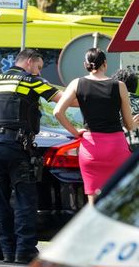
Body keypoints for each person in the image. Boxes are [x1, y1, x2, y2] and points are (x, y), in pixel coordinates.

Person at [0, 48, 61, 264]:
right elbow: (63, 99)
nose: (39, 72)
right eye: (38, 67)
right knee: (25, 197)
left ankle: (7, 250)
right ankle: (24, 251)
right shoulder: (31, 81)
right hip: (15, 145)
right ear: (29, 61)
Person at [53, 49, 135, 202]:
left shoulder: (77, 83)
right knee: (120, 200)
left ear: (85, 65)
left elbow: (57, 112)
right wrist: (133, 123)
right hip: (116, 147)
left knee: (93, 201)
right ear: (105, 64)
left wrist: (75, 132)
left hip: (91, 149)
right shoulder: (119, 86)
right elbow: (129, 125)